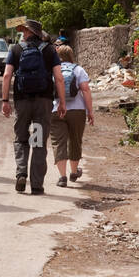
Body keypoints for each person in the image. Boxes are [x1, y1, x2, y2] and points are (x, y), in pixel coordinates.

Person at [1, 18, 65, 195]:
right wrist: (61, 102)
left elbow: (7, 76)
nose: (22, 33)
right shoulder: (50, 50)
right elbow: (59, 78)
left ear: (30, 32)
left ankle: (21, 172)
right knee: (38, 141)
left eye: (24, 31)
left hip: (22, 102)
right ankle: (36, 184)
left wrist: (5, 100)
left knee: (21, 139)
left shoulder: (15, 49)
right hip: (42, 103)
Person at [50, 44, 93, 187]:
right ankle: (74, 172)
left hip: (56, 109)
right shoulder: (78, 69)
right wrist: (90, 111)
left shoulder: (53, 70)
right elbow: (85, 90)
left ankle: (62, 177)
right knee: (75, 140)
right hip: (77, 110)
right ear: (71, 56)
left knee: (58, 142)